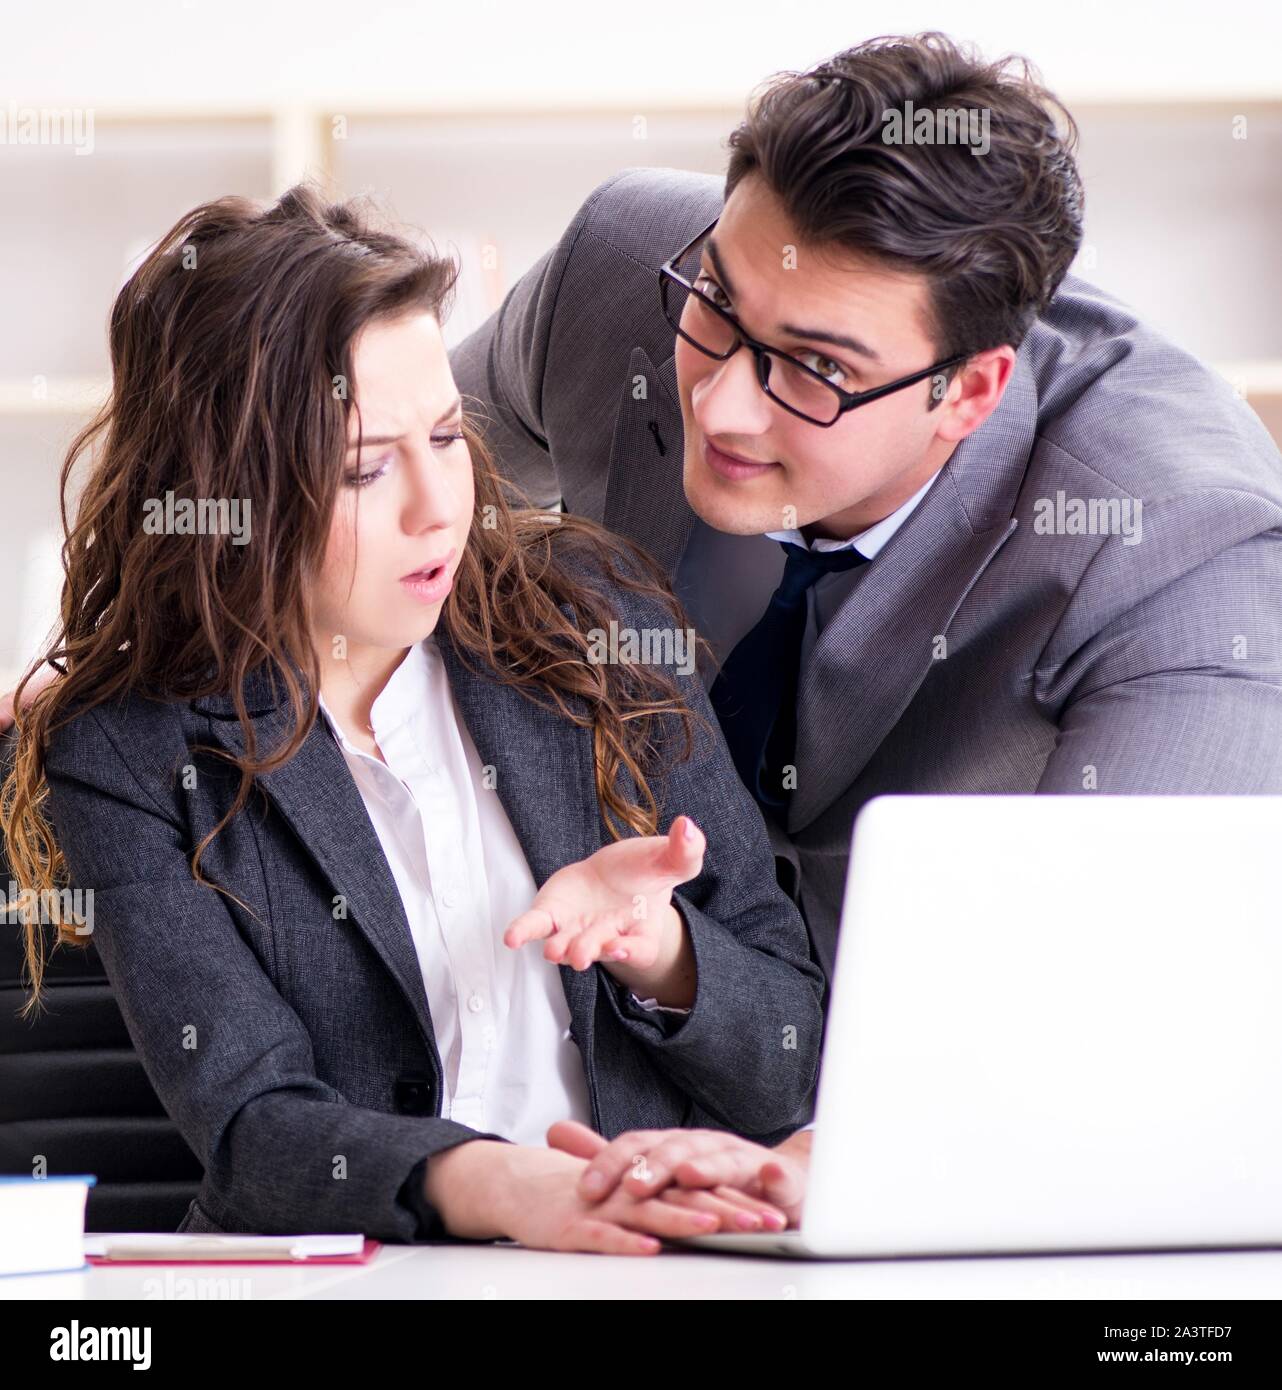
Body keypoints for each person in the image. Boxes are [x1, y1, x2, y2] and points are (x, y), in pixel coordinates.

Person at [443, 30, 1282, 1204]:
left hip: (963, 1147)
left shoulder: (1181, 545)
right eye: (716, 308)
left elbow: (1126, 1003)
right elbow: (374, 486)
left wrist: (818, 1171)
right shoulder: (624, 266)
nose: (722, 403)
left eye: (814, 370)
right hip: (596, 1079)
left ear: (969, 393)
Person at [0, 182, 823, 1254]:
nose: (438, 505)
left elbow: (793, 1056)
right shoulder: (126, 748)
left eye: (446, 436)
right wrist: (512, 1187)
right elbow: (255, 1130)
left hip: (656, 1273)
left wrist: (660, 948)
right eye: (363, 467)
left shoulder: (595, 628)